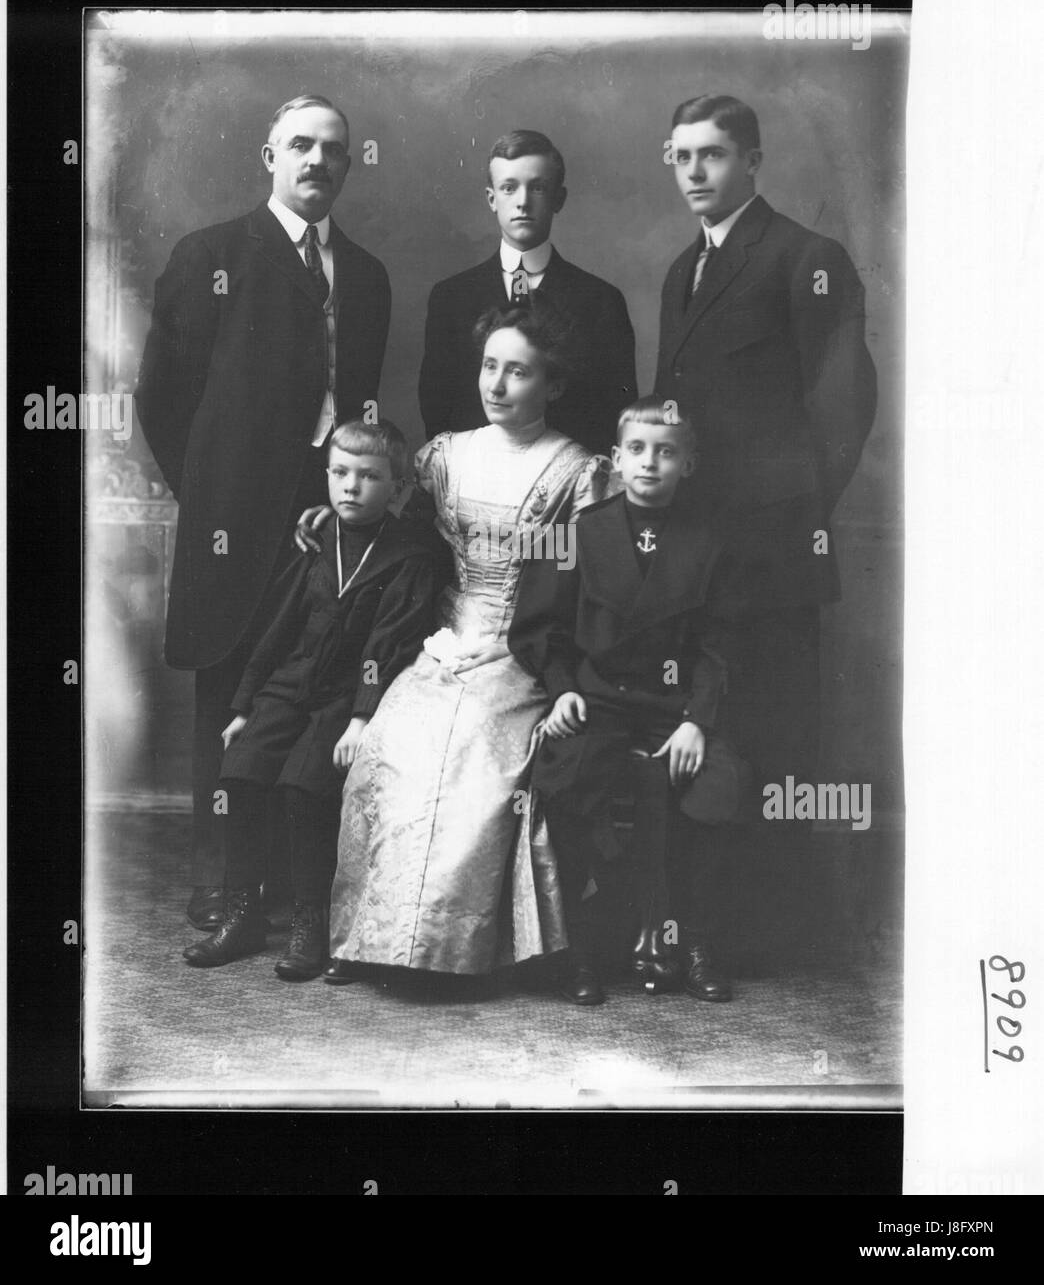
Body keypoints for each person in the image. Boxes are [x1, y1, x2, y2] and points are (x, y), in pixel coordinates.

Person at [135, 94, 391, 931]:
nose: (318, 161)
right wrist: (217, 492)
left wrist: (330, 498)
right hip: (233, 525)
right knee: (229, 698)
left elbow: (358, 410)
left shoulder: (366, 275)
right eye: (302, 147)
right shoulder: (213, 255)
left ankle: (291, 885)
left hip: (330, 523)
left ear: (348, 167)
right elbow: (164, 400)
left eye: (334, 151)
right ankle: (224, 881)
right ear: (269, 156)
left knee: (311, 688)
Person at [324, 298, 609, 983]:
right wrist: (327, 521)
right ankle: (374, 939)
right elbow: (396, 541)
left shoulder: (576, 471)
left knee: (478, 759)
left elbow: (582, 589)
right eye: (489, 367)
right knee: (393, 740)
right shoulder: (444, 457)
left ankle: (462, 952)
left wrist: (518, 647)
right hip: (444, 639)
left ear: (554, 386)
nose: (497, 385)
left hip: (527, 651)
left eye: (518, 372)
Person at [656, 93, 878, 955]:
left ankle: (778, 931)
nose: (695, 174)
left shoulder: (805, 258)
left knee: (778, 736)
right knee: (711, 731)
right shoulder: (686, 270)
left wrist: (792, 521)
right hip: (699, 554)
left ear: (752, 160)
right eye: (681, 157)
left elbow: (843, 410)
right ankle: (708, 923)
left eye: (712, 155)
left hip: (776, 554)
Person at [182, 420, 443, 980]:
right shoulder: (317, 540)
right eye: (341, 473)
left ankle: (311, 922)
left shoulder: (408, 554)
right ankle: (242, 912)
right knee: (241, 773)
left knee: (304, 788)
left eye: (370, 477)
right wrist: (245, 705)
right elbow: (279, 629)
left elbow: (388, 643)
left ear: (397, 487)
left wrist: (359, 718)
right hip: (290, 684)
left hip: (344, 698)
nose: (352, 487)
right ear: (326, 476)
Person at [510, 398, 745, 1005]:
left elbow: (719, 645)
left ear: (687, 465)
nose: (650, 463)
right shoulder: (579, 535)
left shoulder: (712, 538)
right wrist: (561, 691)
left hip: (675, 708)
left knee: (715, 790)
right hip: (601, 701)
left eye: (666, 452)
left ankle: (694, 944)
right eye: (637, 450)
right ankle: (585, 950)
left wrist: (697, 721)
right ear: (616, 459)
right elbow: (541, 630)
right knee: (569, 785)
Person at [418, 128, 637, 455]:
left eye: (537, 187)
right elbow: (437, 405)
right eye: (509, 188)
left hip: (566, 482)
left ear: (558, 199)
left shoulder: (600, 301)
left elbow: (614, 411)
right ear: (492, 199)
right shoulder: (451, 297)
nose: (522, 201)